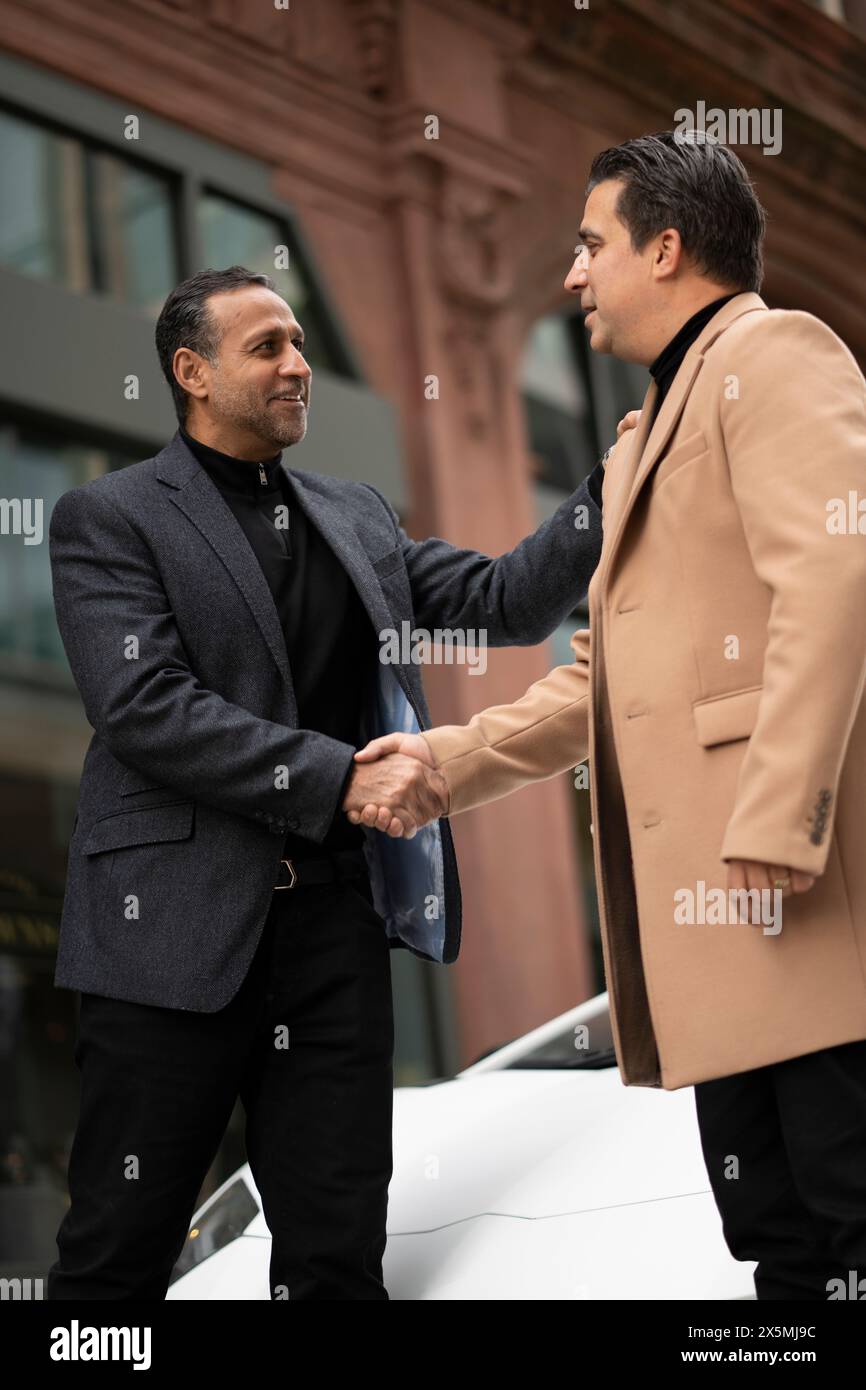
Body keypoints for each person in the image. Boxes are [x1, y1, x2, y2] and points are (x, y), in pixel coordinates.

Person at [45, 263, 635, 1300]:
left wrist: (607, 494)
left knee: (334, 1246)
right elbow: (143, 706)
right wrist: (335, 779)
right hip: (168, 937)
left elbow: (503, 601)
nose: (297, 366)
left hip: (332, 934)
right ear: (190, 371)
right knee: (116, 1250)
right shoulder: (112, 518)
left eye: (301, 344)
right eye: (266, 347)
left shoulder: (352, 514)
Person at [348, 132, 866, 1301]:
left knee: (845, 1230)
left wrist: (781, 820)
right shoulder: (642, 434)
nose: (571, 273)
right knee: (779, 1247)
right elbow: (599, 677)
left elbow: (837, 576)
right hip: (724, 940)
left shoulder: (772, 354)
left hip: (795, 895)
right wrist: (444, 758)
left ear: (666, 248)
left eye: (590, 245)